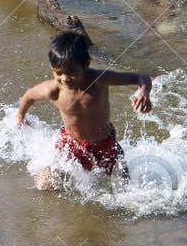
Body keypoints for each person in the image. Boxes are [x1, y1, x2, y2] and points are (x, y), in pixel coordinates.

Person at [14, 29, 154, 188]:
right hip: (71, 144)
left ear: (86, 65)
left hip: (105, 145)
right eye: (58, 72)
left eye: (72, 72)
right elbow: (29, 95)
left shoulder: (99, 80)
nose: (65, 78)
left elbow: (141, 77)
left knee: (126, 189)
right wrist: (20, 116)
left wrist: (144, 92)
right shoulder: (53, 90)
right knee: (44, 184)